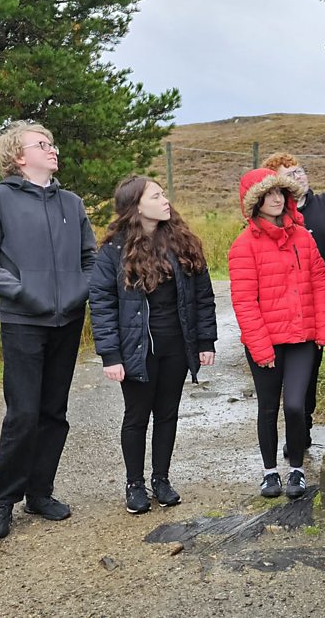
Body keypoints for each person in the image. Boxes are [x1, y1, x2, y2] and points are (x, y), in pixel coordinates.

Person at [0, 120, 96, 540]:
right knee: (22, 414)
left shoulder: (72, 204)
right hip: (23, 321)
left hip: (68, 321)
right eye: (43, 144)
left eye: (53, 143)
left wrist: (80, 292)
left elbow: (91, 260)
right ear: (19, 157)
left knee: (54, 413)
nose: (53, 149)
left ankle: (39, 493)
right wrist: (23, 293)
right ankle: (2, 502)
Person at [89, 176, 218, 514]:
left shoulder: (183, 242)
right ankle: (135, 484)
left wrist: (205, 340)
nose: (165, 200)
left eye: (163, 194)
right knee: (136, 417)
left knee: (168, 414)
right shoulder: (114, 251)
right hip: (136, 351)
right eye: (156, 195)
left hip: (177, 345)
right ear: (136, 206)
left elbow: (203, 297)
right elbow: (102, 305)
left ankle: (161, 479)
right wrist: (110, 355)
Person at [229, 168, 325, 499]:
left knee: (295, 405)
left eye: (280, 193)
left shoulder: (303, 238)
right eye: (269, 194)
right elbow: (244, 302)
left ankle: (297, 470)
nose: (277, 199)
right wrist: (261, 347)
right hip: (266, 343)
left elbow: (320, 283)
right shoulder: (243, 246)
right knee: (267, 408)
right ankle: (269, 472)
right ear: (255, 202)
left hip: (303, 340)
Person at [262, 153, 325, 448]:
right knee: (305, 369)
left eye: (300, 170)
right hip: (300, 307)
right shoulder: (277, 219)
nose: (298, 176)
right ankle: (301, 427)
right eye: (289, 174)